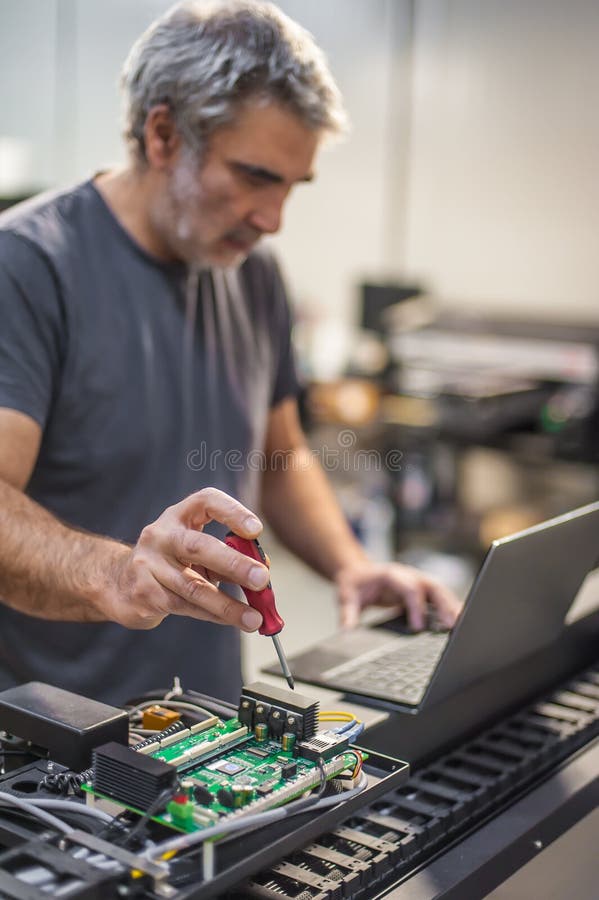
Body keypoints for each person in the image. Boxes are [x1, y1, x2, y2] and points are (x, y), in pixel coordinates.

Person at [0, 0, 460, 706]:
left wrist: (351, 564)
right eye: (254, 176)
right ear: (162, 135)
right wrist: (121, 576)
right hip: (57, 728)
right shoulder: (28, 267)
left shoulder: (253, 273)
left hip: (210, 717)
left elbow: (281, 456)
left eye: (291, 187)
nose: (272, 219)